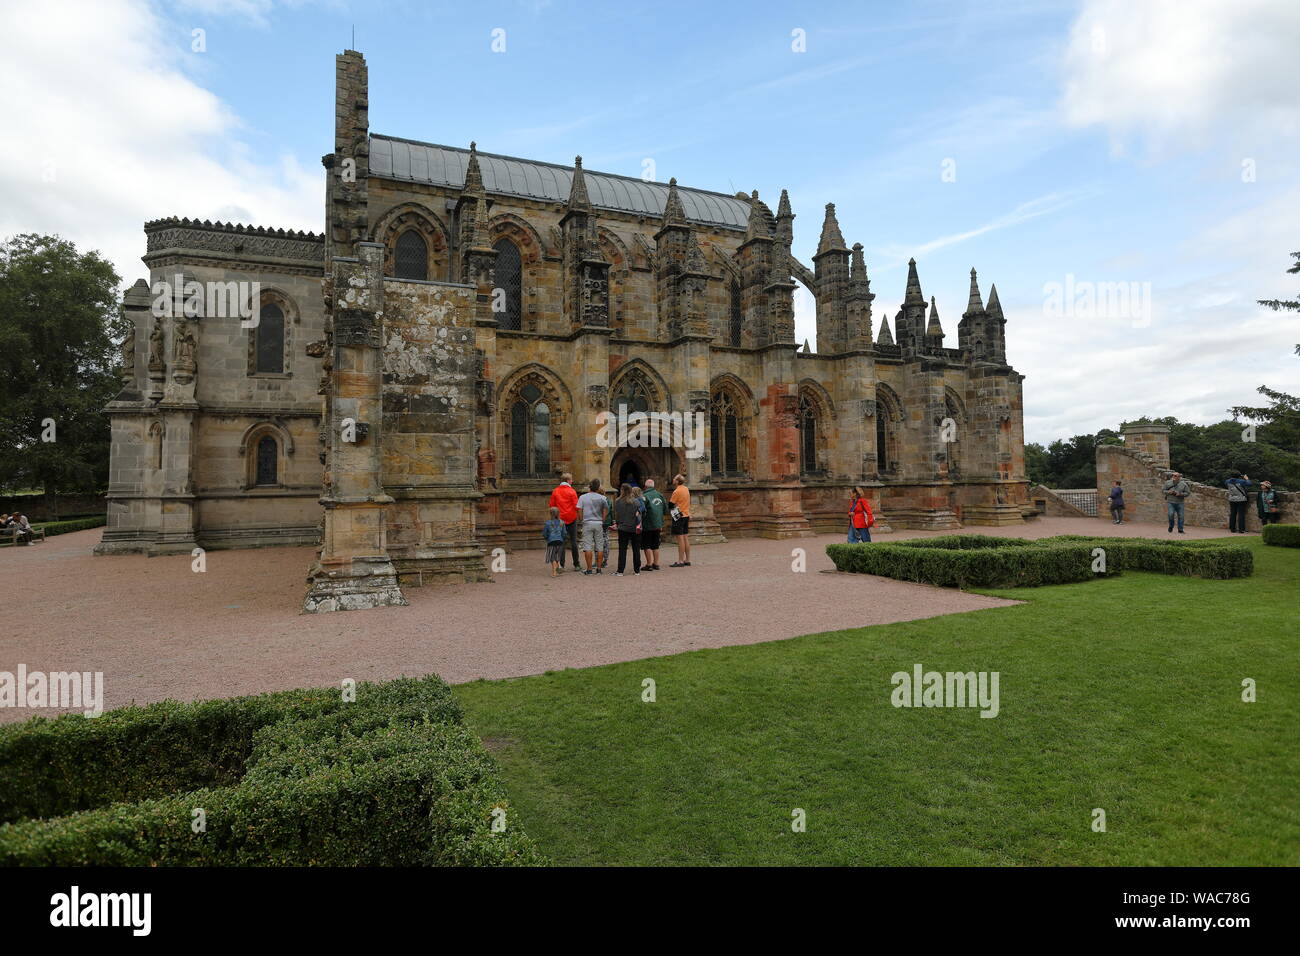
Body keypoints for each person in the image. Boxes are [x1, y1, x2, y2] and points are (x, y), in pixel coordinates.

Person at [548, 473, 580, 571]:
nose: (572, 481)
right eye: (571, 479)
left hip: (559, 520)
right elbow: (576, 506)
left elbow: (552, 506)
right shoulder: (572, 491)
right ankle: (576, 564)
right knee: (574, 542)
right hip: (571, 518)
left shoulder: (555, 491)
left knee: (561, 542)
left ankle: (561, 565)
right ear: (568, 480)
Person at [576, 478, 608, 574]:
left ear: (590, 486)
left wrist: (581, 518)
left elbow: (579, 509)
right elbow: (606, 509)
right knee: (599, 546)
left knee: (588, 546)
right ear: (598, 487)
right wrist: (603, 518)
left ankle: (589, 569)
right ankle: (598, 569)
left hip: (587, 523)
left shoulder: (583, 497)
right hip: (598, 523)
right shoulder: (603, 498)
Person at [612, 483, 643, 576]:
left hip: (623, 527)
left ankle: (620, 571)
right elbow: (640, 514)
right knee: (636, 549)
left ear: (622, 490)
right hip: (634, 528)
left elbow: (617, 515)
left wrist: (616, 524)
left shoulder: (618, 501)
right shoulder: (636, 502)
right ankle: (637, 570)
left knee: (622, 550)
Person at [641, 478, 668, 571]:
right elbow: (665, 510)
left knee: (646, 545)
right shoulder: (660, 495)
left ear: (645, 486)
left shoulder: (644, 496)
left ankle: (649, 564)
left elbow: (642, 510)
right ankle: (656, 564)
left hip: (647, 524)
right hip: (658, 524)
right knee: (656, 545)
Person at [669, 473, 691, 567]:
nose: (673, 480)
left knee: (680, 539)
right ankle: (687, 559)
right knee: (685, 537)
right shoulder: (686, 489)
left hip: (679, 516)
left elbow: (670, 504)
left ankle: (680, 561)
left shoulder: (676, 491)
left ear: (677, 481)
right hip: (686, 515)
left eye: (674, 479)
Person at [542, 506, 566, 577]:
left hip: (551, 541)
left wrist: (547, 538)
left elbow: (544, 533)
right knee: (557, 556)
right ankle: (559, 565)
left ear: (550, 514)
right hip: (560, 541)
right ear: (558, 514)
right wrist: (562, 538)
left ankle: (554, 573)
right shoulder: (562, 522)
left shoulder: (548, 523)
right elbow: (564, 533)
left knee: (552, 558)